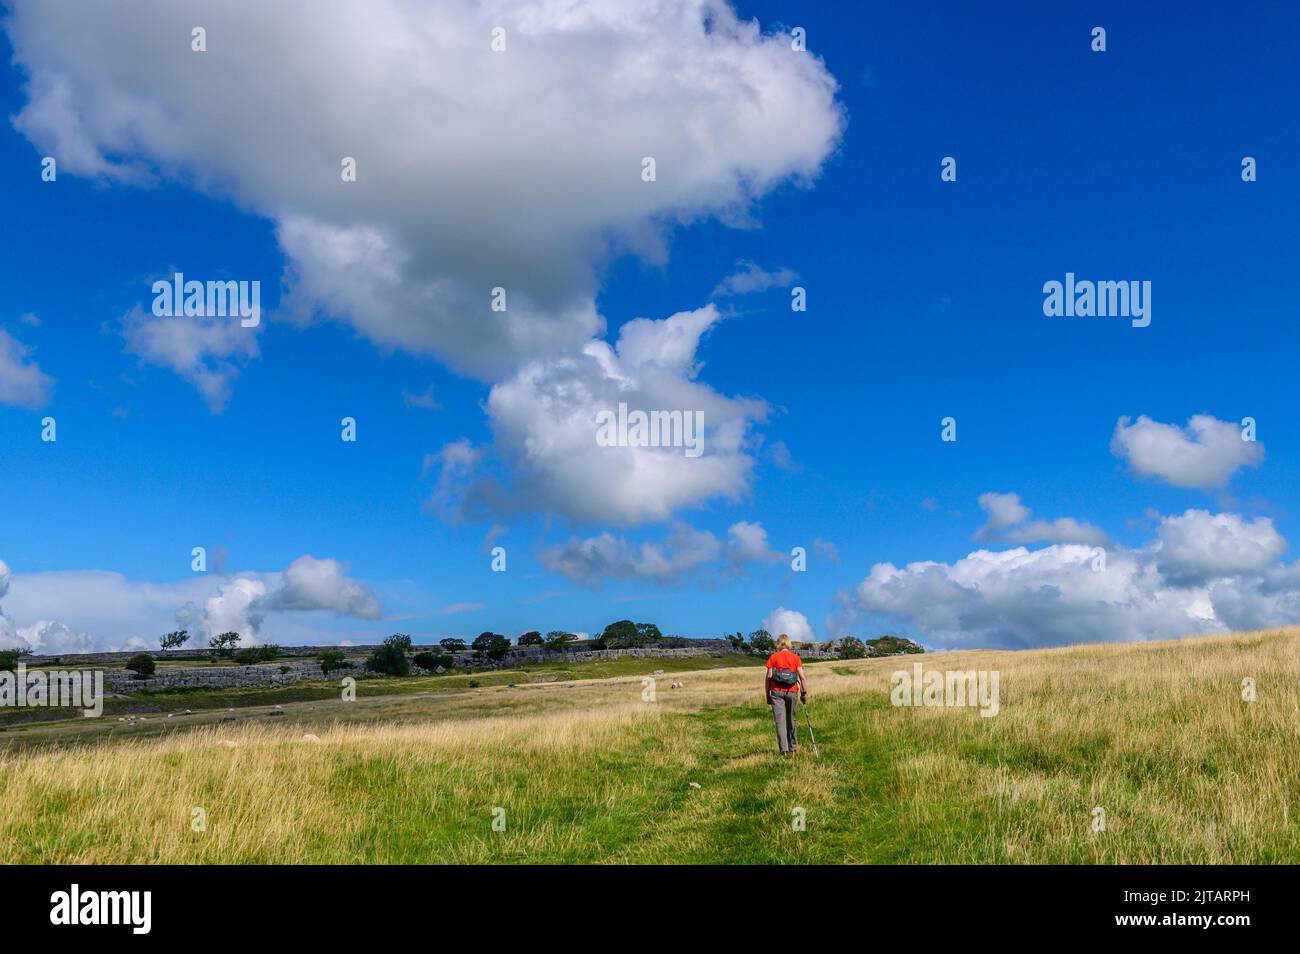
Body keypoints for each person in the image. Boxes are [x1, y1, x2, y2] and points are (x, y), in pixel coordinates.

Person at [764, 633, 807, 755]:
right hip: (791, 691)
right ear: (789, 643)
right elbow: (802, 677)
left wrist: (767, 694)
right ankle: (793, 748)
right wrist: (804, 693)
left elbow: (768, 677)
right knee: (791, 720)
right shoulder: (795, 658)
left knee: (780, 722)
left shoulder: (773, 657)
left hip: (776, 692)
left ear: (778, 644)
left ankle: (784, 750)